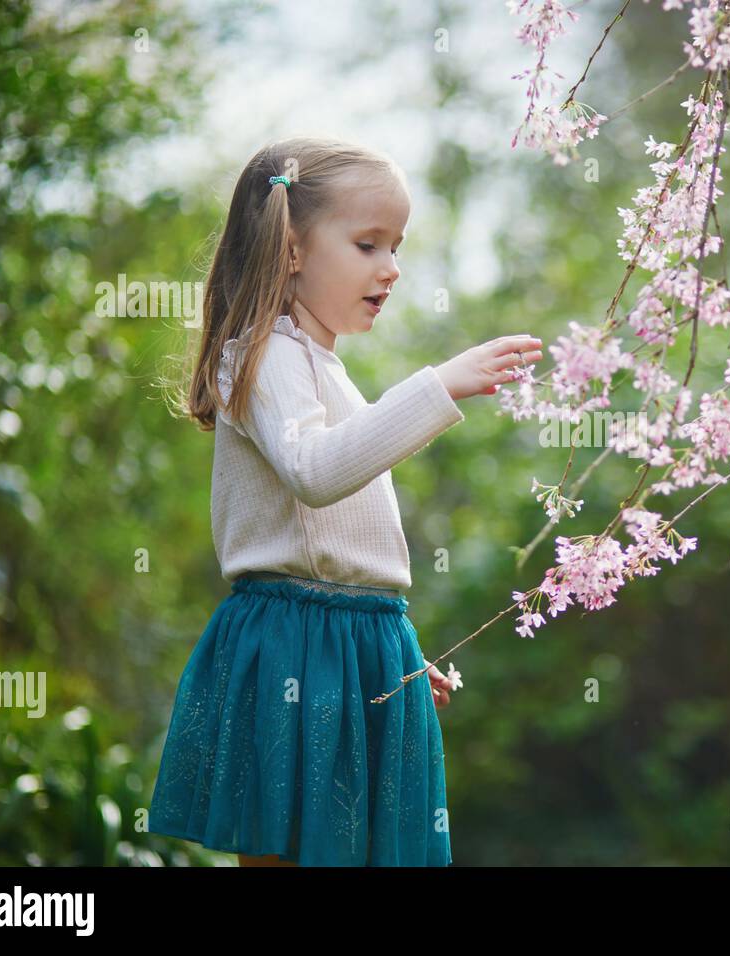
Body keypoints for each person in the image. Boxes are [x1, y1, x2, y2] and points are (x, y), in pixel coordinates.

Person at [147, 136, 542, 866]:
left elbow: (343, 541)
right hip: (295, 645)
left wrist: (392, 652)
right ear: (291, 250)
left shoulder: (321, 367)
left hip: (355, 643)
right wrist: (438, 384)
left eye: (396, 246)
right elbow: (316, 472)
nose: (391, 268)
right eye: (368, 244)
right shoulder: (260, 355)